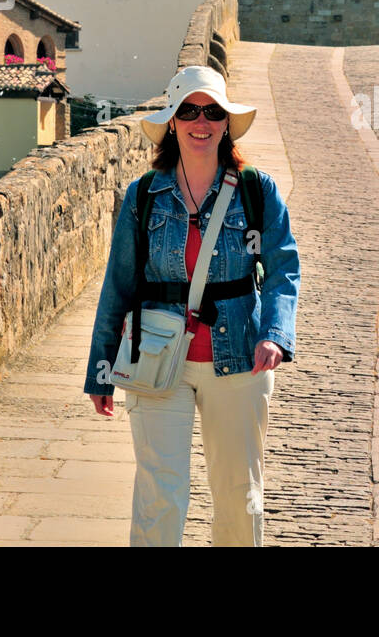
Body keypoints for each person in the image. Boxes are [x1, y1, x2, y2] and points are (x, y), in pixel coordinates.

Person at [83, 64, 299, 547]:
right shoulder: (143, 196)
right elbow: (118, 284)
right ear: (173, 122)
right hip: (158, 360)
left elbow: (285, 267)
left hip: (241, 356)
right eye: (188, 111)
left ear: (225, 122)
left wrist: (275, 334)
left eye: (212, 112)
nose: (201, 122)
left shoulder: (255, 190)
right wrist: (100, 370)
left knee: (239, 495)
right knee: (160, 495)